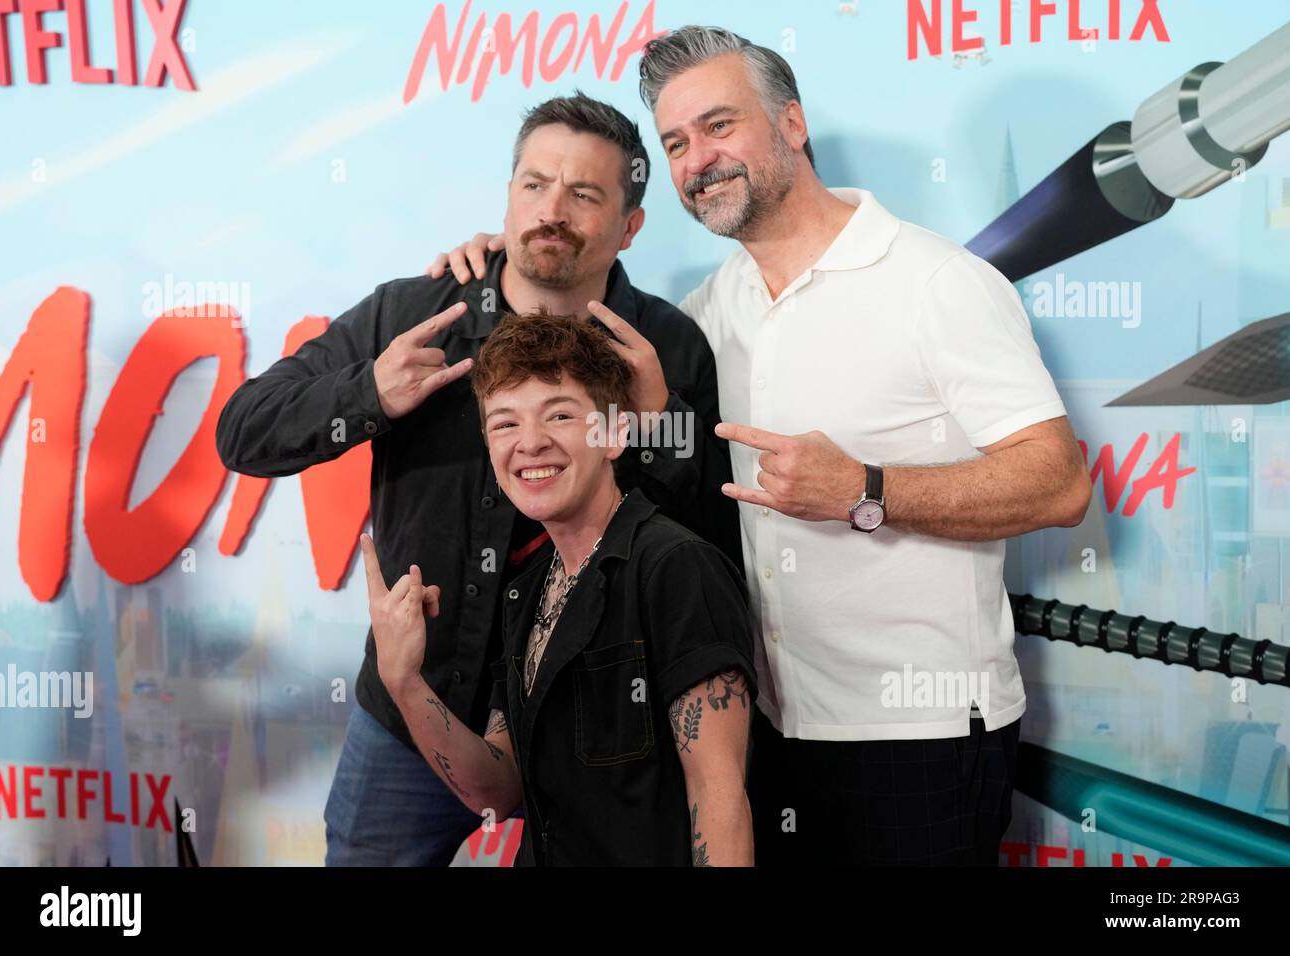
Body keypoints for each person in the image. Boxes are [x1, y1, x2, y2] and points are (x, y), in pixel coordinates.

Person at [428, 26, 1093, 866]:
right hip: (766, 735)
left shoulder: (935, 282)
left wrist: (863, 488)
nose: (698, 158)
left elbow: (1060, 485)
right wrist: (501, 266)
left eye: (719, 125)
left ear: (792, 123)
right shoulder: (705, 314)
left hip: (916, 737)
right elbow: (602, 387)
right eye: (676, 143)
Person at [215, 92, 739, 866]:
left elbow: (711, 542)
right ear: (508, 195)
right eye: (535, 185)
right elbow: (243, 431)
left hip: (600, 728)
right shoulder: (417, 312)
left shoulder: (667, 345)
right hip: (413, 714)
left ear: (630, 225)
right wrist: (369, 393)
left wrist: (661, 425)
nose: (551, 210)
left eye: (583, 193)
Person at [361, 310, 756, 866]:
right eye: (505, 424)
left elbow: (719, 799)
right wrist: (403, 682)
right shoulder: (526, 591)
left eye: (560, 415)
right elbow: (497, 791)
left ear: (615, 434)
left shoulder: (676, 569)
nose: (531, 443)